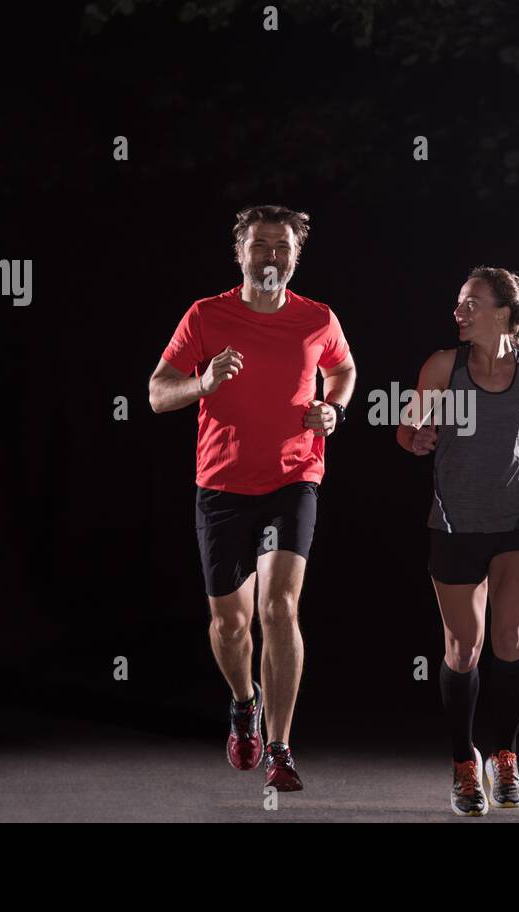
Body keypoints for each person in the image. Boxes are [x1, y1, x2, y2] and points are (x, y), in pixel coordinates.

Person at [149, 205, 356, 792]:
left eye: (282, 247)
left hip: (294, 478)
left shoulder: (318, 319)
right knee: (231, 624)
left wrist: (332, 409)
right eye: (260, 246)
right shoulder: (206, 316)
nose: (271, 256)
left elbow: (344, 370)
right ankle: (244, 703)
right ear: (240, 253)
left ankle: (282, 747)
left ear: (296, 255)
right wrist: (203, 383)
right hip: (221, 485)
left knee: (280, 609)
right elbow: (157, 394)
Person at [397, 266, 519, 816]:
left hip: (518, 519)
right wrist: (415, 436)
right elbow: (406, 426)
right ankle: (464, 763)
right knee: (463, 650)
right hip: (456, 523)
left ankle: (505, 755)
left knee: (510, 640)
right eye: (459, 302)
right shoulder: (444, 366)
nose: (459, 312)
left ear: (503, 312)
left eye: (471, 303)